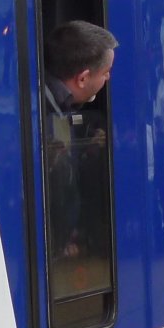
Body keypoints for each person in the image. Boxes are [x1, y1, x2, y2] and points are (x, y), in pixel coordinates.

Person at [41, 20, 116, 258]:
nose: (108, 78)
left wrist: (88, 151)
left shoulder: (58, 105)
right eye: (105, 72)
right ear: (82, 79)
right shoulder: (46, 113)